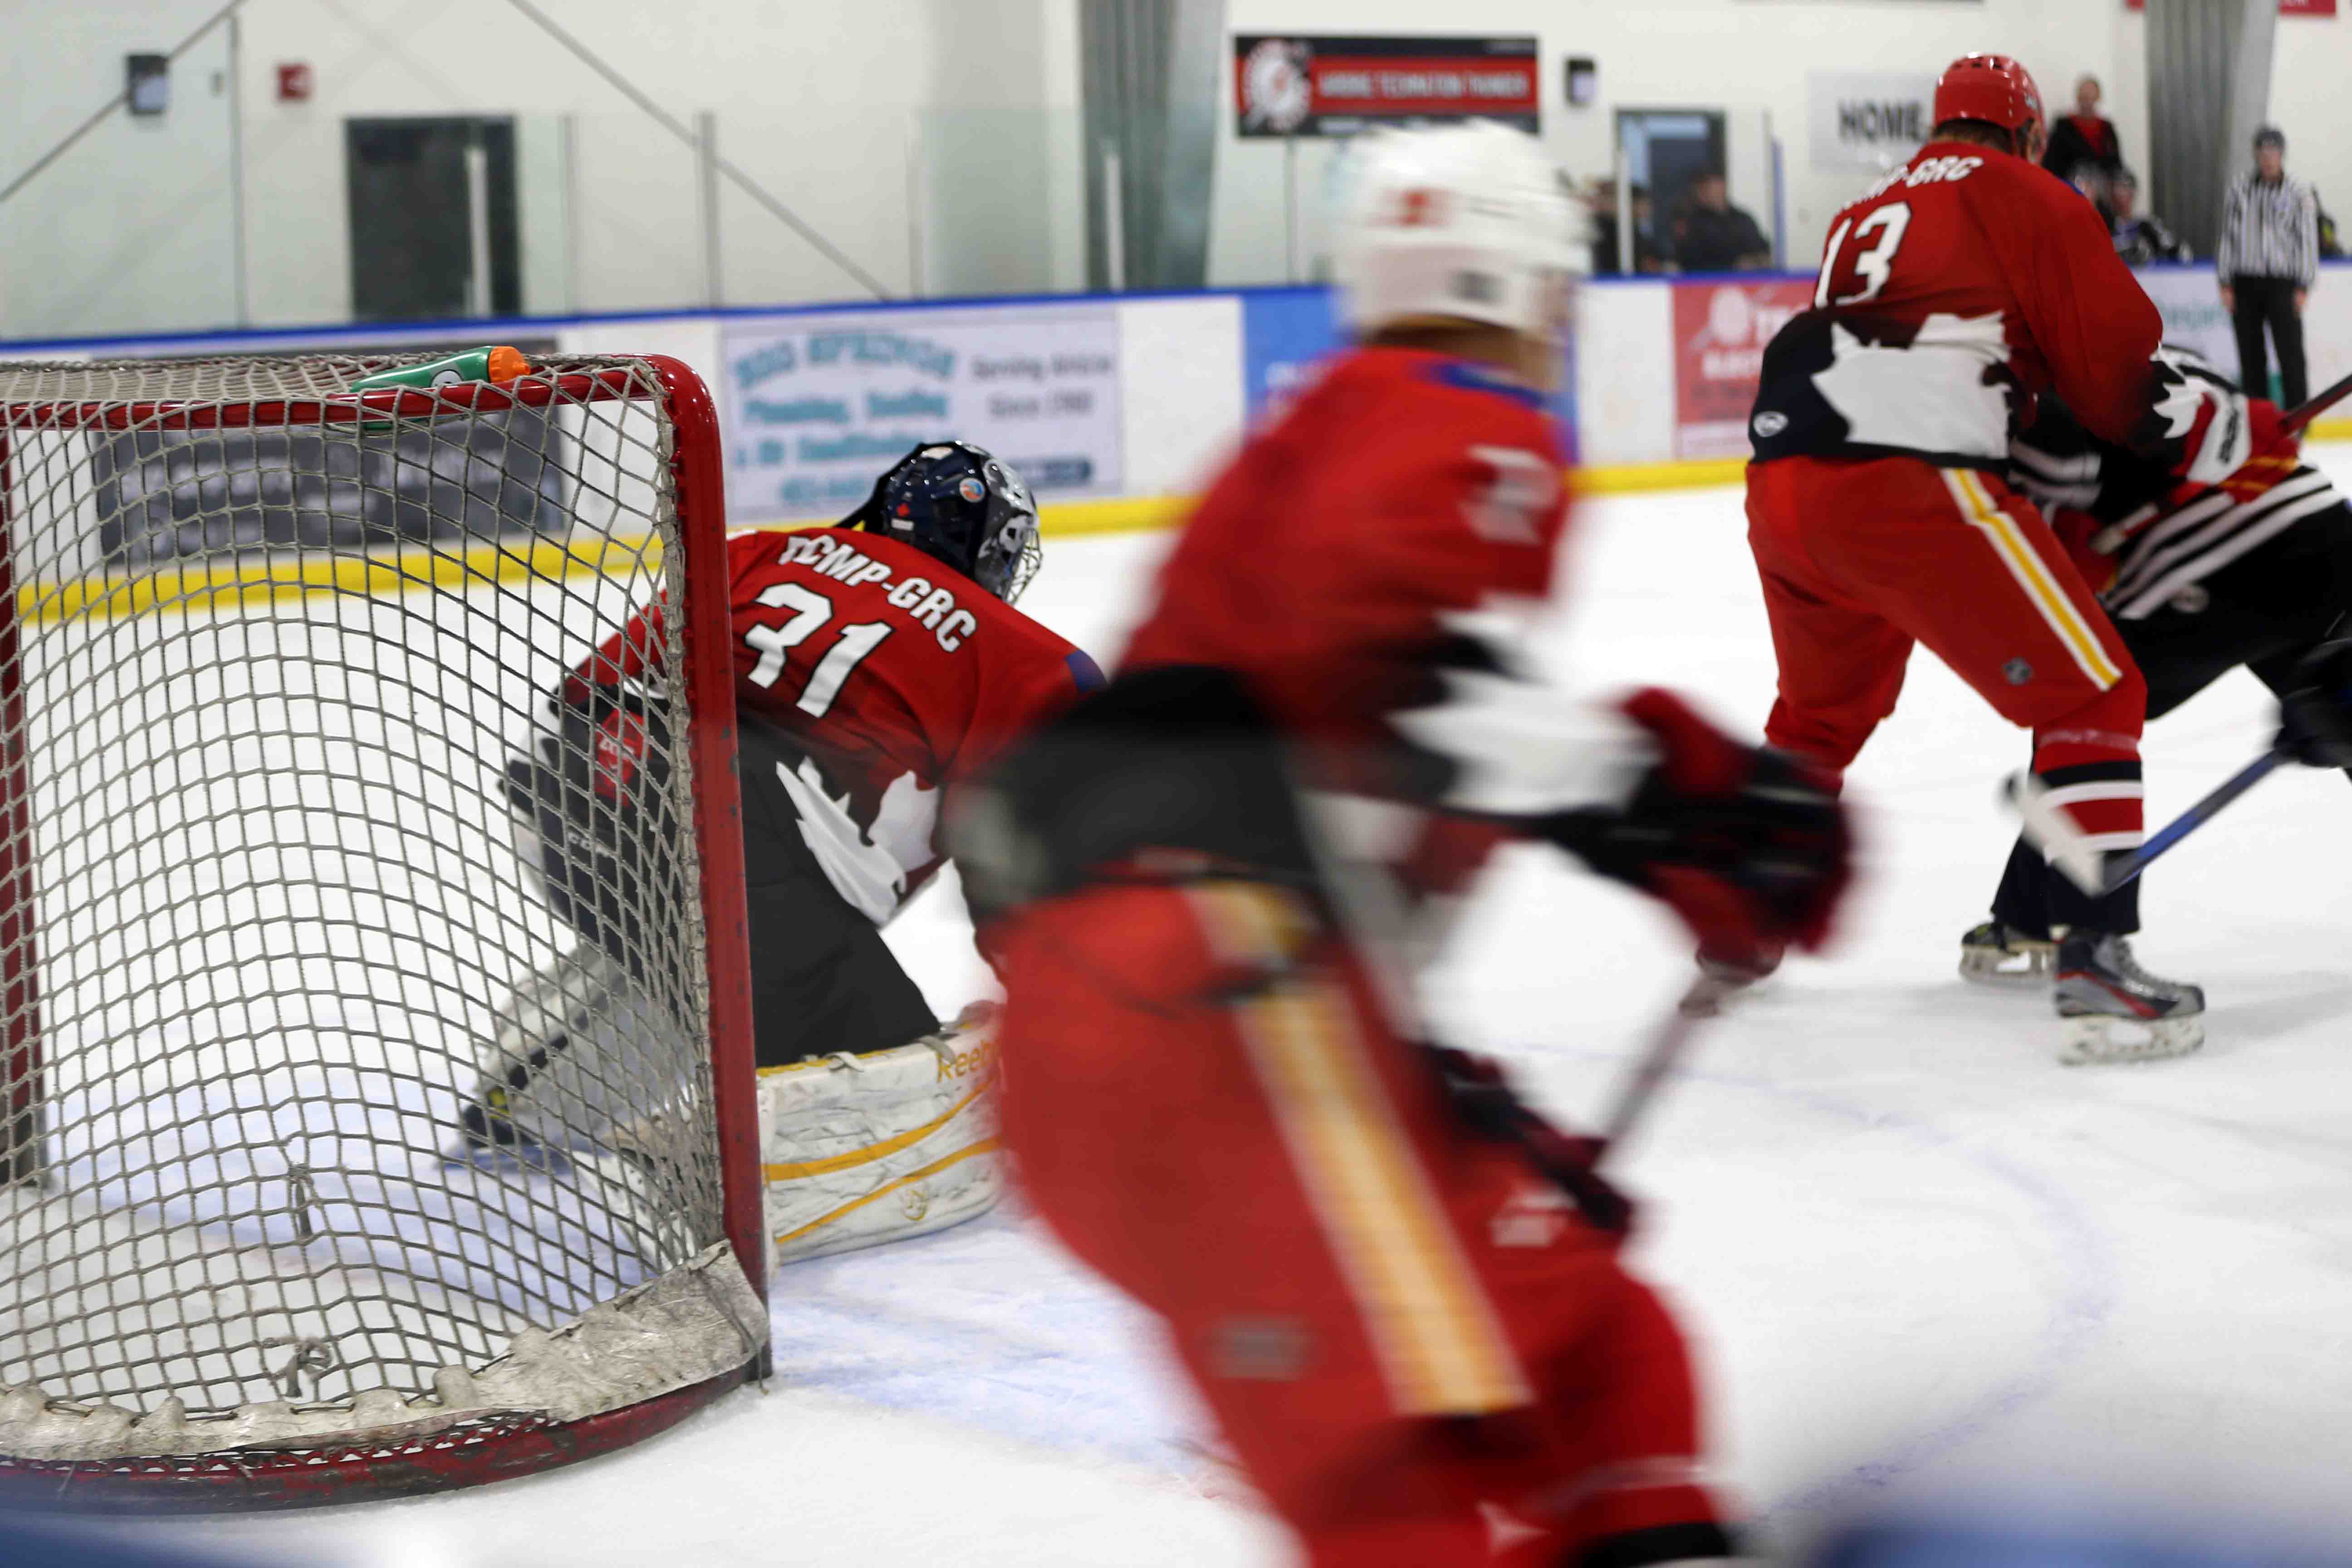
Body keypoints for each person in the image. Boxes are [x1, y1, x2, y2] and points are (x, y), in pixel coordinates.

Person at [958, 121, 1852, 1567]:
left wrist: (1417, 1081)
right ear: (1505, 277)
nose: (1567, 322)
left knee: (1589, 1352)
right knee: (1418, 1483)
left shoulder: (1325, 424)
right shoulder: (1458, 417)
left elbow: (1330, 732)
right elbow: (1402, 687)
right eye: (1559, 286)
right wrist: (1674, 803)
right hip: (1212, 1003)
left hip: (1154, 1026)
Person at [1742, 54, 2256, 1063]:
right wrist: (2221, 428)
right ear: (2026, 135)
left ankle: (1739, 920)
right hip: (1909, 485)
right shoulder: (2033, 195)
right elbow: (2117, 379)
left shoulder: (1864, 211)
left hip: (1783, 488)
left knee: (1815, 718)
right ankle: (2097, 961)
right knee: (2097, 694)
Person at [478, 441, 1103, 1261]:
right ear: (990, 547)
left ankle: (521, 1119)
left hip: (570, 806)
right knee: (903, 1096)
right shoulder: (1028, 660)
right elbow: (1008, 862)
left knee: (701, 957)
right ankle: (717, 1171)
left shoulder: (763, 550)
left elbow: (588, 686)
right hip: (750, 858)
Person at [1965, 351, 2350, 988]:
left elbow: (2060, 528)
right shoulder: (2141, 351)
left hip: (2199, 573)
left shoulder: (2029, 399)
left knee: (2082, 720)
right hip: (2326, 540)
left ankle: (2046, 919)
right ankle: (2037, 914)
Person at [2219, 127, 2320, 407]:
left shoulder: (2299, 192)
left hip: (2282, 282)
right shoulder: (2239, 189)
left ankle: (2299, 419)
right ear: (2255, 154)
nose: (2268, 158)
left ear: (2282, 154)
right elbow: (2228, 236)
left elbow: (2307, 241)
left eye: (2273, 151)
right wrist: (2225, 282)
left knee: (2291, 355)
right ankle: (2258, 421)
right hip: (2245, 281)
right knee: (2251, 357)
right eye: (2263, 152)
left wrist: (2303, 285)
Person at [1672, 168, 1772, 271]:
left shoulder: (1743, 218)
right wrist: (1733, 265)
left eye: (1718, 186)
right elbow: (1690, 261)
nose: (1716, 192)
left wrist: (1758, 260)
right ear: (1700, 192)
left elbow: (1761, 247)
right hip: (1710, 282)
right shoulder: (1692, 223)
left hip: (1750, 281)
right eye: (1709, 188)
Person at [2042, 73, 2122, 189]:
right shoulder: (2063, 127)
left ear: (2098, 98)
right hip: (2070, 191)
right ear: (2078, 97)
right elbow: (2052, 164)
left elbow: (2116, 166)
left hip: (2103, 195)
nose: (2088, 102)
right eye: (2084, 97)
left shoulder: (2107, 129)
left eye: (2091, 97)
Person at [2108, 168, 2190, 266]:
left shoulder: (2147, 225)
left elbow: (2180, 251)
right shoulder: (2105, 227)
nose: (2122, 194)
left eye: (2127, 189)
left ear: (2133, 193)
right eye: (2117, 189)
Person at [1589, 179, 1663, 275]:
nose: (1647, 209)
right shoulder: (1614, 228)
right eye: (1644, 204)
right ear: (1632, 204)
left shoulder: (1635, 230)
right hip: (1613, 281)